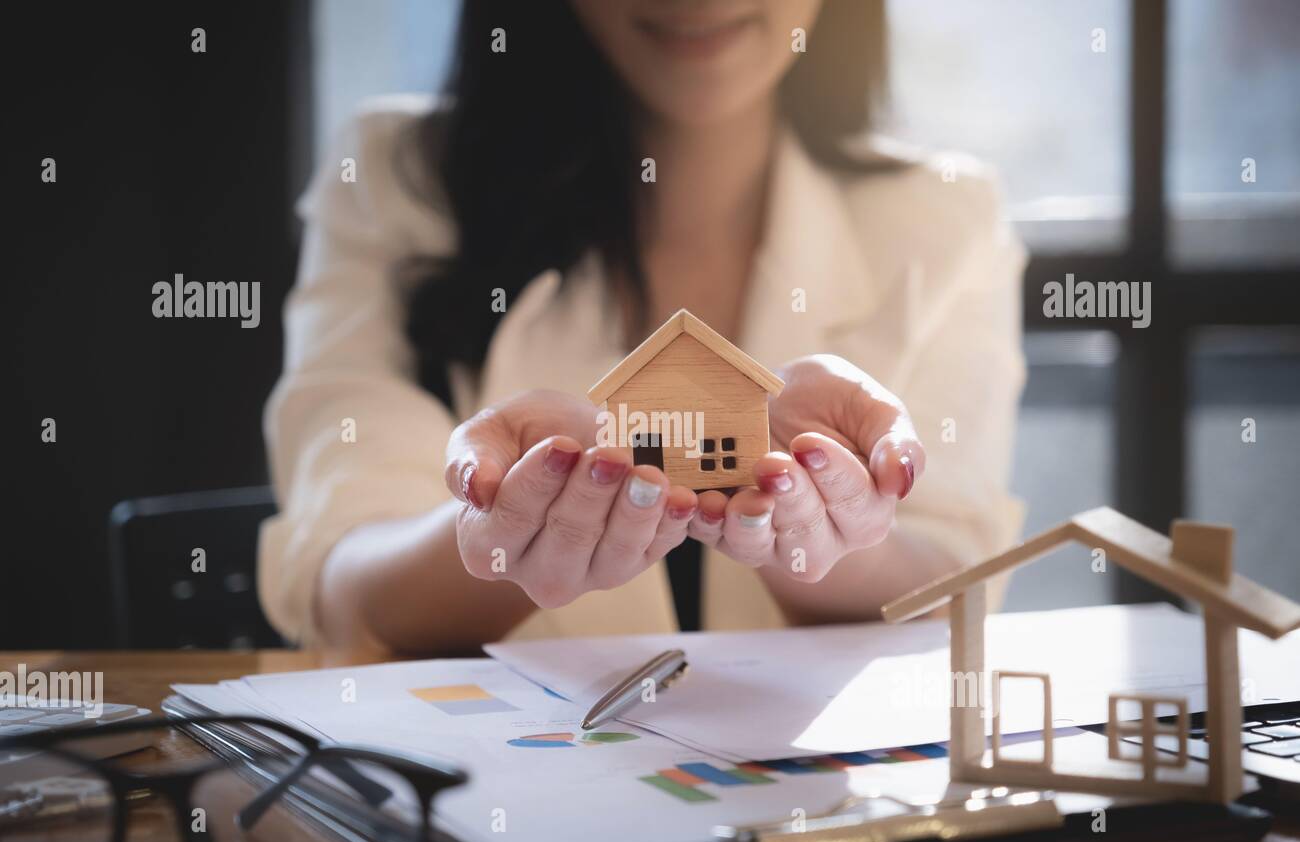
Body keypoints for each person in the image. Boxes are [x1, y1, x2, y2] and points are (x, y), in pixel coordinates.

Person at [258, 0, 1027, 658]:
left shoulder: (947, 219)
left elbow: (952, 590)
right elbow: (340, 581)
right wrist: (501, 535)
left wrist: (816, 529)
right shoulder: (396, 179)